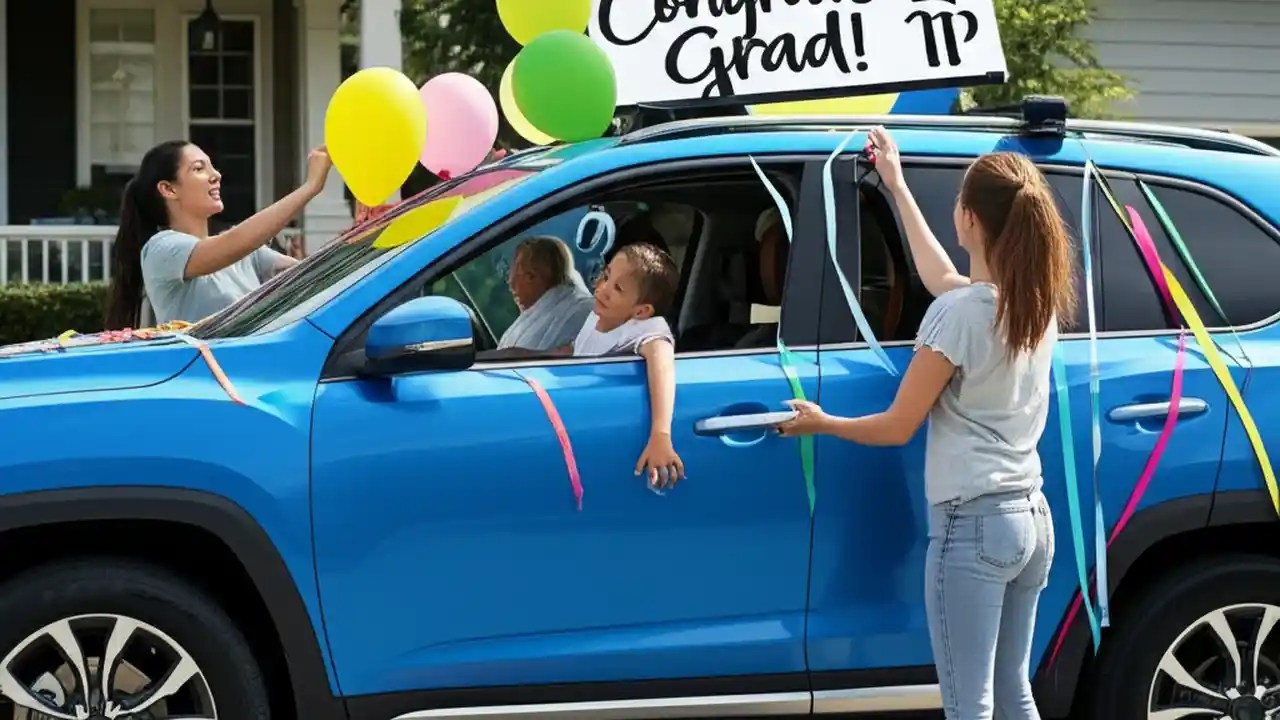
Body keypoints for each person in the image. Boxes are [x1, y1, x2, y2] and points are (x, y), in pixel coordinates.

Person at [777, 126, 1076, 720]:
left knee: (969, 705)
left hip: (974, 525)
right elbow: (943, 279)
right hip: (1030, 523)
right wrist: (896, 184)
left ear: (966, 218)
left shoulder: (960, 316)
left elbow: (896, 426)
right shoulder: (1033, 306)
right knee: (1012, 691)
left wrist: (824, 423)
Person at [104, 140, 333, 329]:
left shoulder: (248, 255)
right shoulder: (160, 249)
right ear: (169, 189)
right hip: (205, 380)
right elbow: (235, 242)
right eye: (198, 168)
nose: (216, 175)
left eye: (212, 166)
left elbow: (320, 274)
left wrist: (365, 222)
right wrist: (310, 187)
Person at [573, 242, 684, 490]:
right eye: (606, 276)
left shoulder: (646, 328)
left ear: (641, 310)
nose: (602, 289)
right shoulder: (599, 314)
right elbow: (576, 351)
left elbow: (663, 361)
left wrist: (661, 435)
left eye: (618, 288)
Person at [497, 235, 594, 351]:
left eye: (521, 275)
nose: (512, 285)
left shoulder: (577, 313)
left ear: (539, 276)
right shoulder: (537, 317)